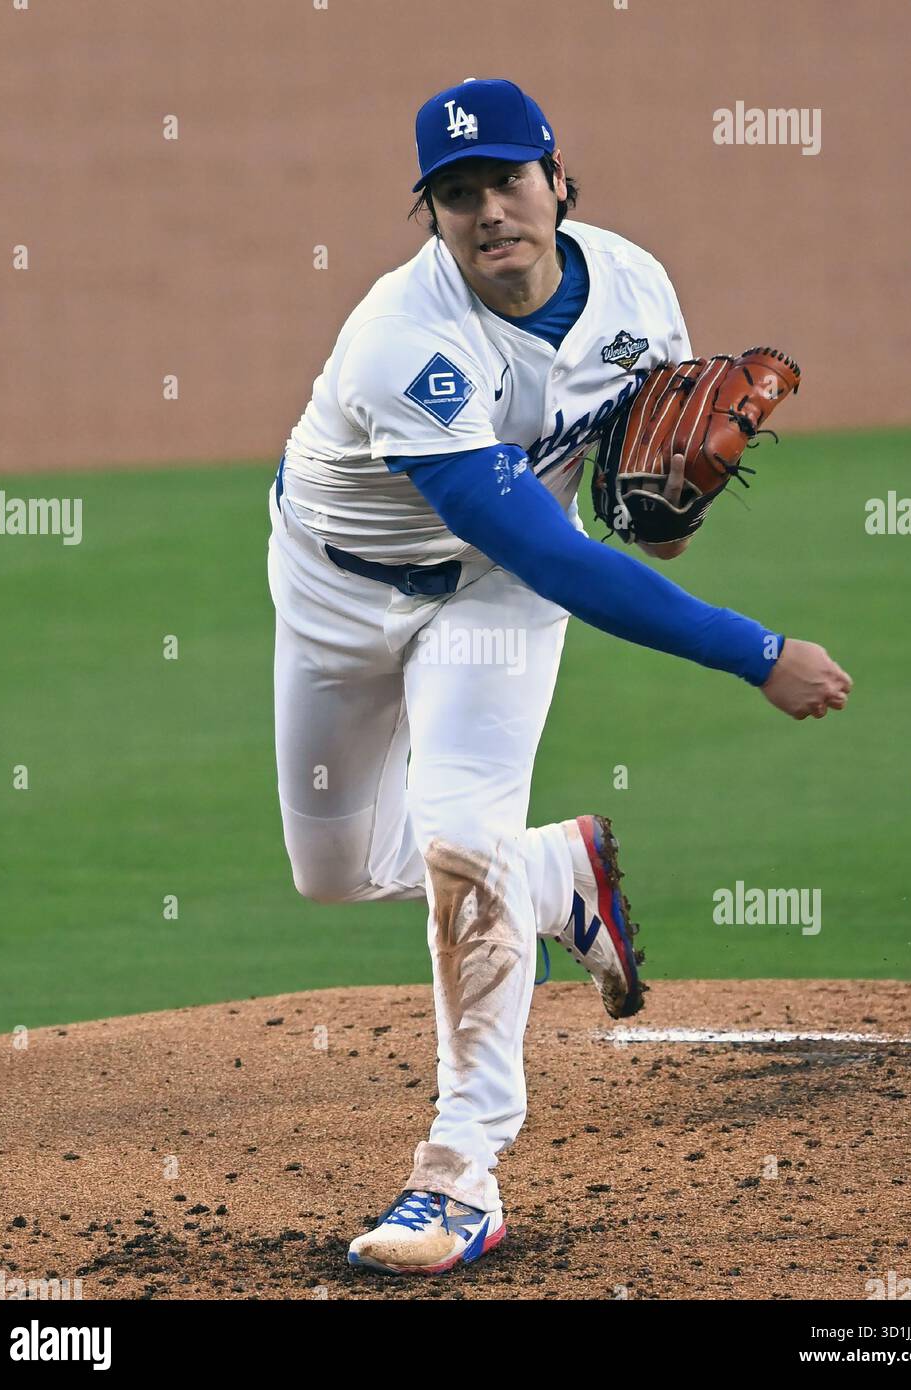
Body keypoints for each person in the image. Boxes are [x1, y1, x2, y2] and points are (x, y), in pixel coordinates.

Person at [266, 77, 852, 1276]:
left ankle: (458, 1176)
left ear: (557, 180)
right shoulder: (401, 340)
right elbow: (548, 541)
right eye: (457, 192)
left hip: (495, 605)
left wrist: (667, 509)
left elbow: (634, 517)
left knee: (457, 849)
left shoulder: (633, 287)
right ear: (429, 212)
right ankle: (555, 871)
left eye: (510, 180)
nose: (490, 211)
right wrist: (754, 652)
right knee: (332, 874)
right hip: (339, 589)